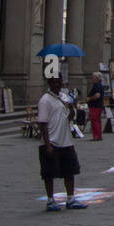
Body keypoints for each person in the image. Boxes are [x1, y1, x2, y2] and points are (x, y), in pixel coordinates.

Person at [37, 74, 87, 211]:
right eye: (54, 82)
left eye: (59, 82)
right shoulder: (45, 100)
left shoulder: (64, 98)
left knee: (70, 171)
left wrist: (71, 108)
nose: (57, 85)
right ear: (49, 83)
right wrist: (47, 144)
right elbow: (42, 123)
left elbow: (70, 118)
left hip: (66, 140)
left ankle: (70, 198)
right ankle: (50, 200)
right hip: (51, 141)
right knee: (49, 173)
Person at [86, 72, 106, 141]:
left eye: (93, 77)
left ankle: (96, 136)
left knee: (94, 121)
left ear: (97, 78)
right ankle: (98, 135)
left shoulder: (97, 85)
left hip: (95, 106)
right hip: (98, 105)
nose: (92, 78)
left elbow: (97, 95)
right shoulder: (99, 85)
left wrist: (89, 98)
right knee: (97, 121)